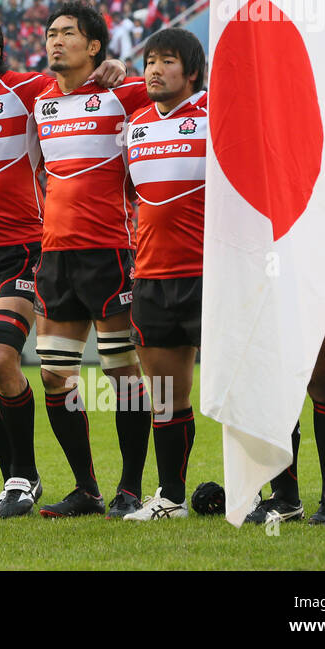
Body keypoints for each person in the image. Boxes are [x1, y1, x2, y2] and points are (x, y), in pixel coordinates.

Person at [0, 15, 124, 517]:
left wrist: (115, 67)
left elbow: (79, 84)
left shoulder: (28, 90)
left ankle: (27, 478)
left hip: (27, 247)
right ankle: (19, 483)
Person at [31, 0, 153, 518]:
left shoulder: (124, 92)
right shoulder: (38, 97)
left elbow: (183, 90)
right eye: (51, 34)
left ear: (95, 45)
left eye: (67, 34)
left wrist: (127, 65)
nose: (55, 41)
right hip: (55, 252)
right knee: (55, 375)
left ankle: (130, 487)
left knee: (121, 372)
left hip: (111, 250)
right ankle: (86, 489)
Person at [121, 28, 206, 520]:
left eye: (167, 61)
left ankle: (276, 497)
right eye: (150, 60)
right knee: (167, 398)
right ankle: (171, 497)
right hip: (151, 278)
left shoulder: (218, 115)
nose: (154, 69)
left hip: (210, 276)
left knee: (240, 387)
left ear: (190, 72)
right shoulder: (135, 126)